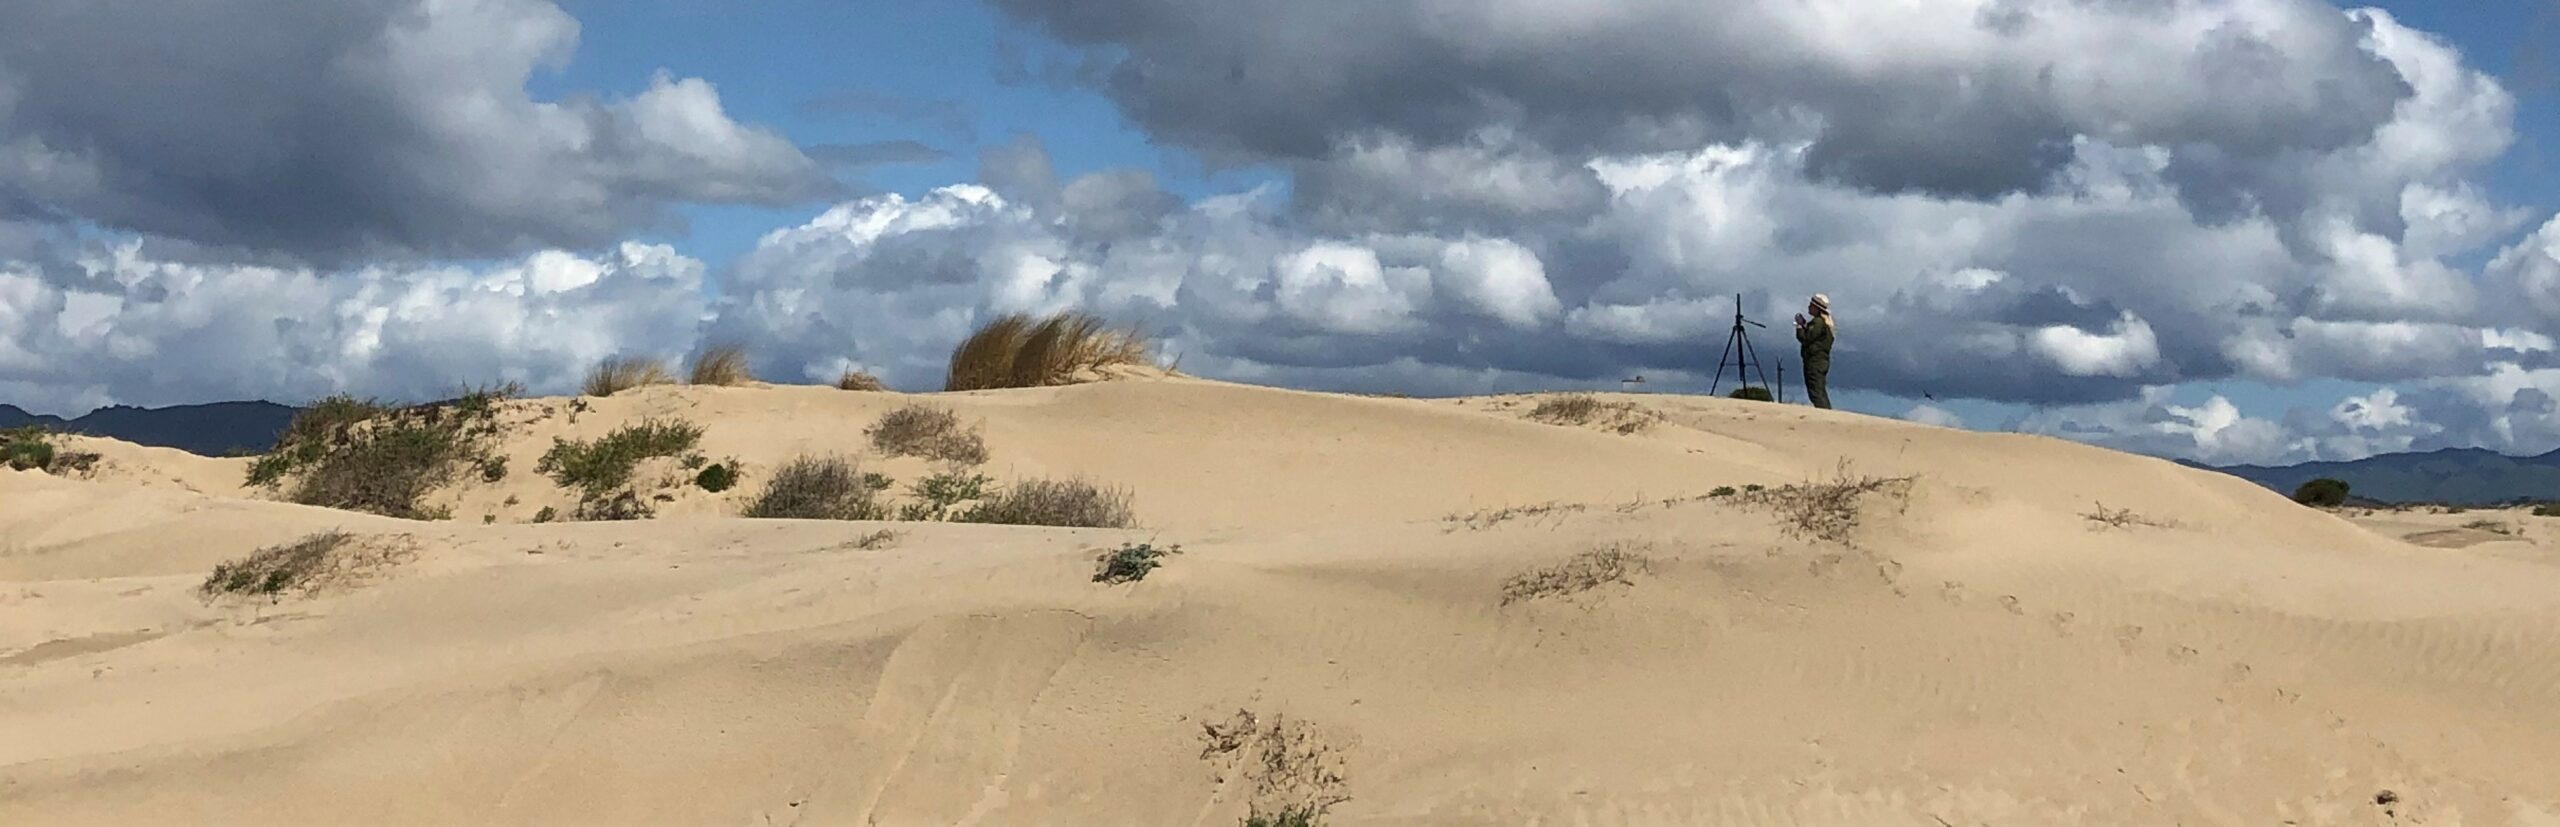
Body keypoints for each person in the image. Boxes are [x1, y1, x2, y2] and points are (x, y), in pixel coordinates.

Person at [1793, 293, 1834, 410]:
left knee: (1815, 392)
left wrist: (1799, 328)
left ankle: (1825, 415)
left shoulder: (1818, 322)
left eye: (1811, 305)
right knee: (1819, 390)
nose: (1809, 307)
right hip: (1820, 361)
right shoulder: (1823, 323)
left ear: (1817, 308)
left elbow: (1806, 339)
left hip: (1815, 362)